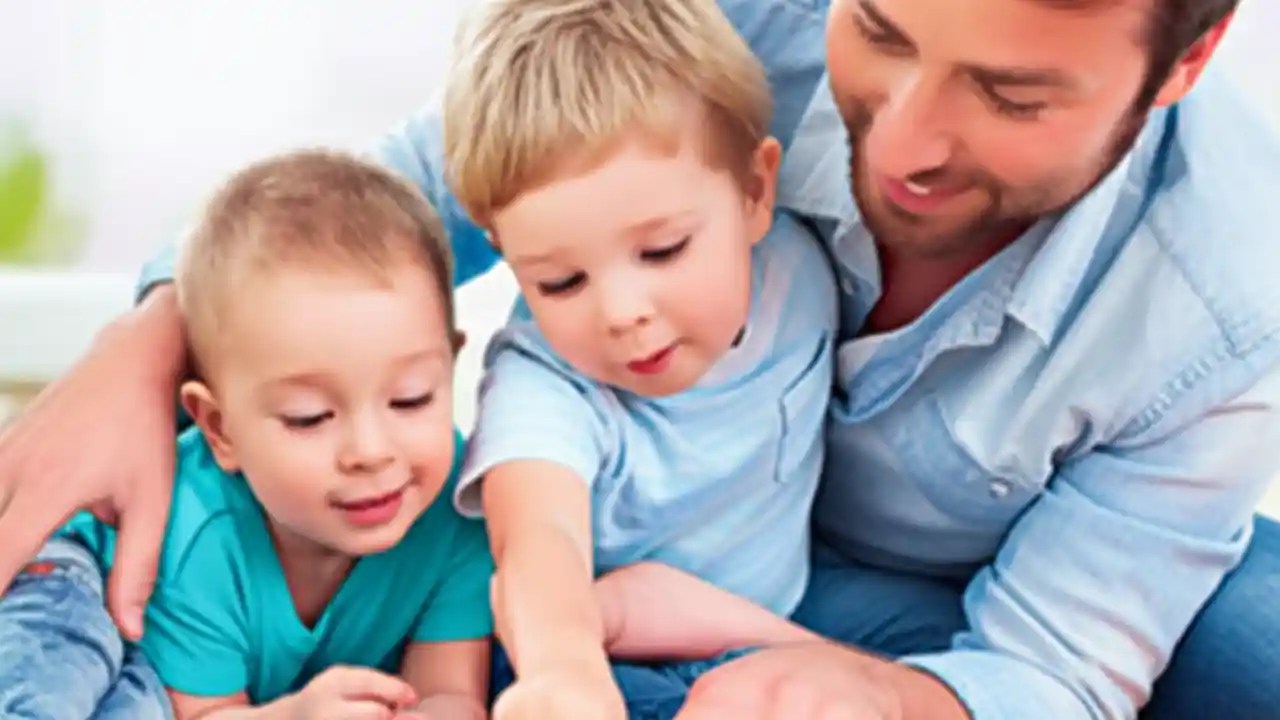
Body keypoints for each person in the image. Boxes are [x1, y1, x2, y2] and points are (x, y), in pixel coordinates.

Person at [1, 0, 1278, 718]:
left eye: (1009, 97)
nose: (905, 142)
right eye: (878, 32)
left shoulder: (1219, 300)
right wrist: (141, 340)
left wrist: (884, 702)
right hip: (598, 582)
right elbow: (385, 198)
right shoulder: (717, 28)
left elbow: (1057, 667)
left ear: (1185, 57)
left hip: (931, 601)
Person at [439, 2, 837, 717]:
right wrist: (564, 670)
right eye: (560, 282)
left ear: (754, 192)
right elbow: (539, 537)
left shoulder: (802, 271)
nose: (621, 312)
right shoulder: (544, 382)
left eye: (663, 251)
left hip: (789, 609)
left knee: (948, 656)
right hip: (619, 659)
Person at [0, 150, 494, 719]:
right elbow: (203, 712)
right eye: (309, 417)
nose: (371, 452)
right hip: (76, 581)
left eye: (411, 398)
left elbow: (451, 692)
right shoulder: (198, 528)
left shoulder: (459, 506)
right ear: (218, 428)